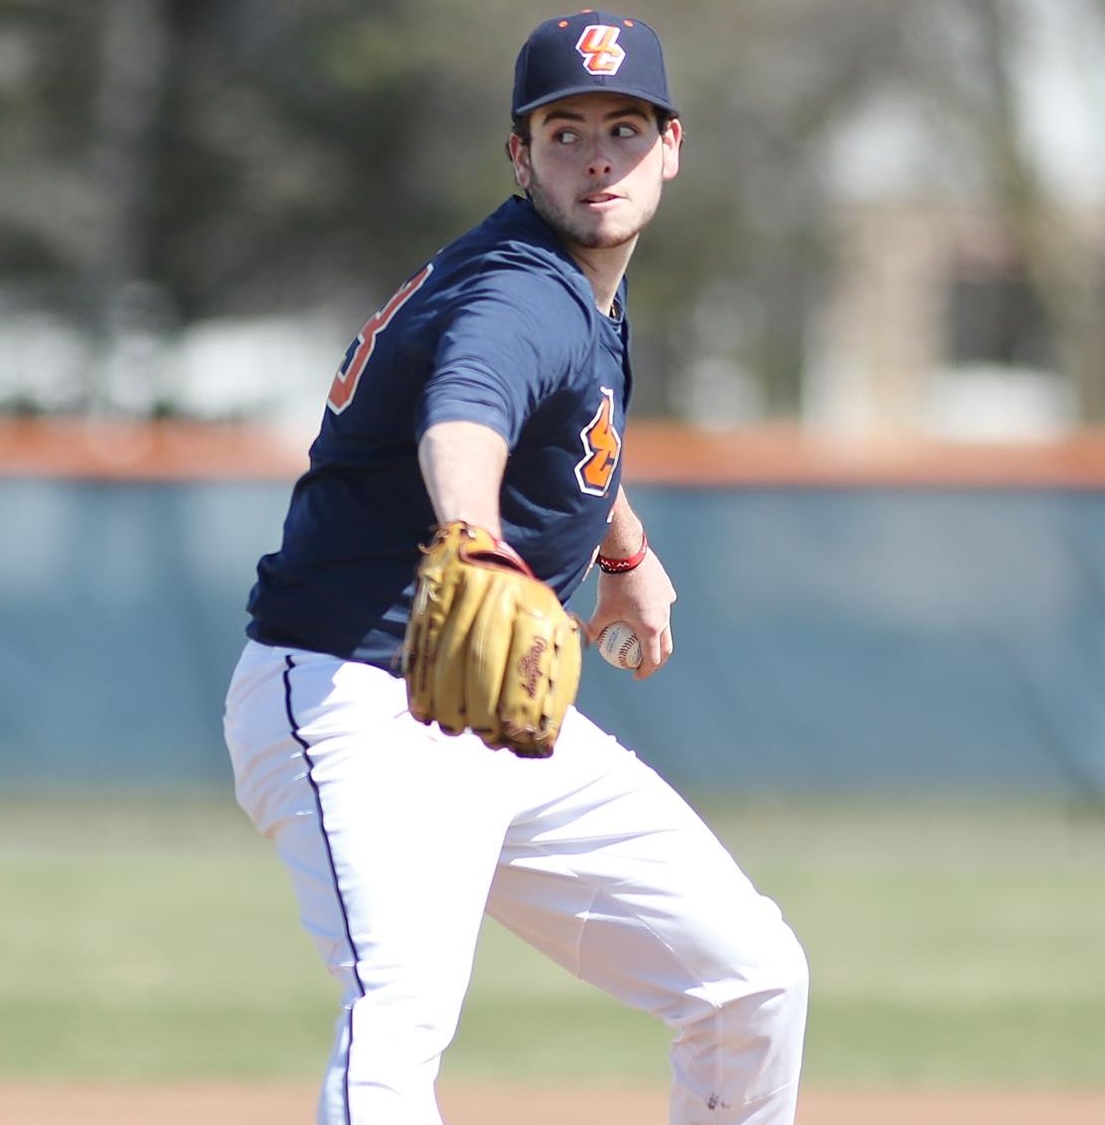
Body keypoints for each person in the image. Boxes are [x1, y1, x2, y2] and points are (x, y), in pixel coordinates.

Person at [222, 11, 808, 1125]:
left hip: (480, 710)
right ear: (519, 154)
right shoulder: (522, 292)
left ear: (671, 145)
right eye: (565, 131)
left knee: (751, 982)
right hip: (348, 693)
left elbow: (565, 421)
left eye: (624, 128)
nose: (598, 157)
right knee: (397, 1018)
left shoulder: (573, 272)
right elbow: (468, 417)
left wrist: (621, 547)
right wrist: (475, 535)